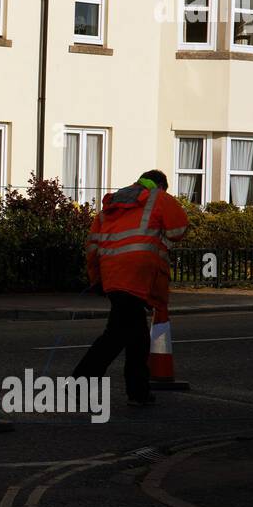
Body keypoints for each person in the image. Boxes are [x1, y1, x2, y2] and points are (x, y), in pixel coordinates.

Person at [72, 170, 188, 406]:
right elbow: (178, 230)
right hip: (137, 276)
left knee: (136, 338)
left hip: (113, 276)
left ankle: (138, 392)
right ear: (160, 185)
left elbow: (92, 248)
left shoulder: (111, 204)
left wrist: (97, 280)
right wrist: (161, 240)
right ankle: (80, 383)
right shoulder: (158, 197)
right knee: (116, 336)